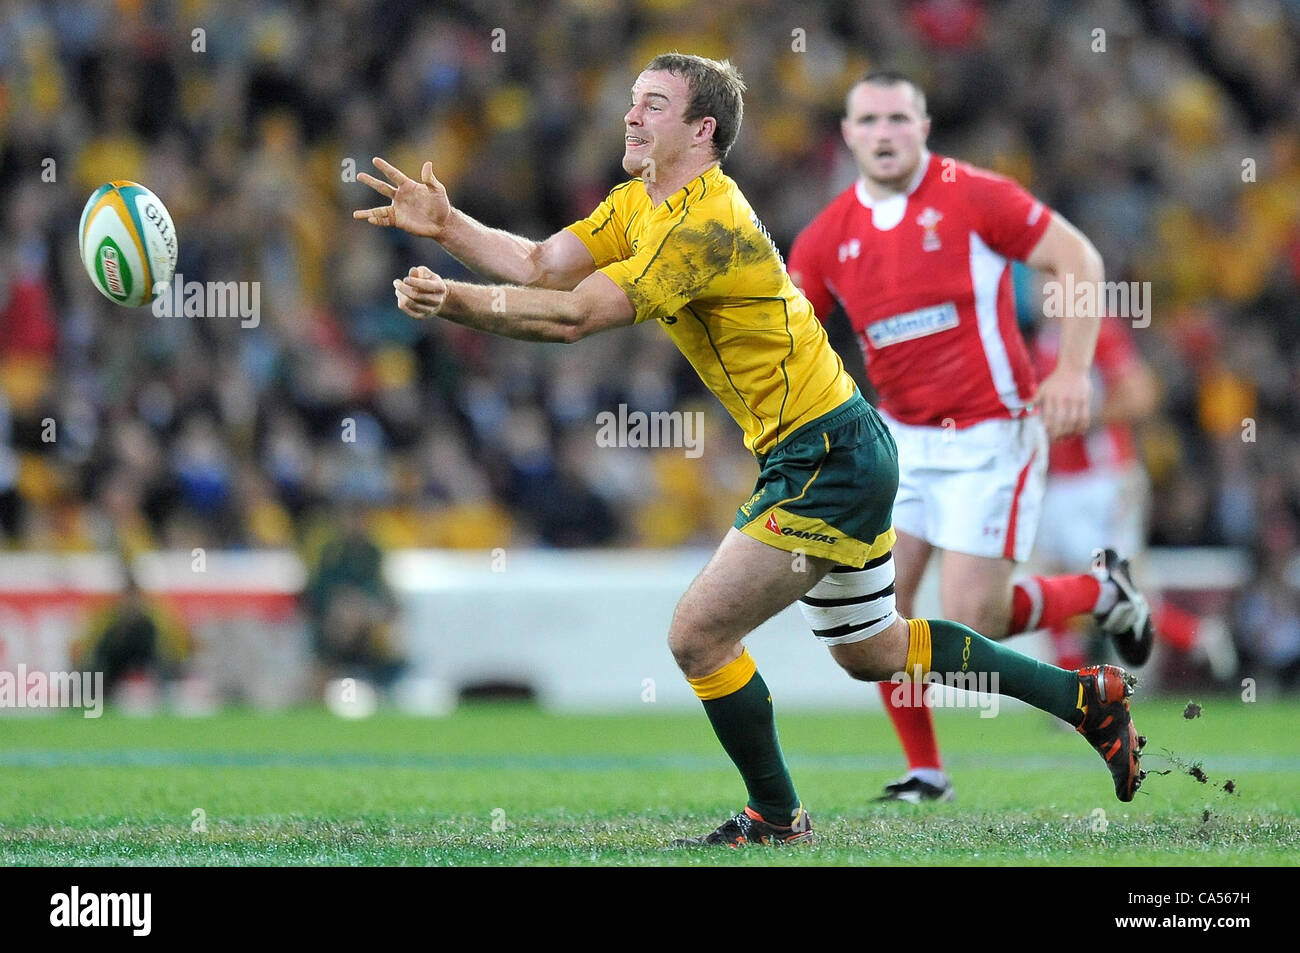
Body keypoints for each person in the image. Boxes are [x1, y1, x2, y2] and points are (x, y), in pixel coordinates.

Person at [354, 53, 1145, 846]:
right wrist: (449, 225)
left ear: (702, 131)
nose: (630, 117)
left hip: (825, 454)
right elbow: (537, 265)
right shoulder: (638, 205)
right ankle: (1086, 697)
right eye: (632, 101)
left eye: (653, 105)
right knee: (876, 651)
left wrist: (453, 300)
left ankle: (775, 814)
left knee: (698, 634)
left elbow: (573, 318)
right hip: (835, 443)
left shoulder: (705, 223)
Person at [789, 70, 1153, 803]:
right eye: (870, 120)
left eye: (900, 118)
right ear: (848, 136)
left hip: (993, 432)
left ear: (923, 128)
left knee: (973, 619)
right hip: (900, 443)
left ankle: (1095, 589)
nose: (885, 132)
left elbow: (1078, 260)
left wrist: (1075, 371)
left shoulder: (975, 194)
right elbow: (791, 341)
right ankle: (926, 770)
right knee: (878, 617)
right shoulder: (828, 237)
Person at [1030, 313, 1237, 679]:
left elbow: (1141, 395)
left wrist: (1082, 418)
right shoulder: (1041, 340)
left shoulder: (1097, 330)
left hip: (1104, 480)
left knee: (1111, 585)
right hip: (1060, 483)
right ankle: (1070, 691)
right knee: (1053, 580)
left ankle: (1195, 635)